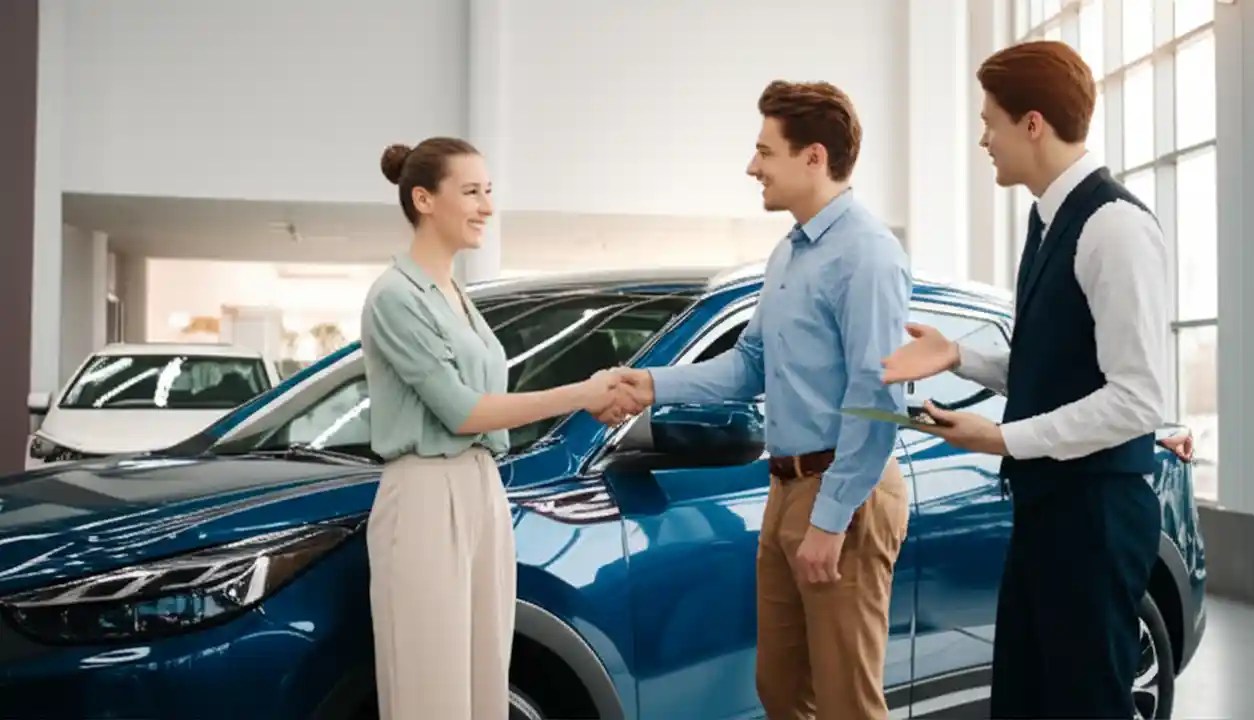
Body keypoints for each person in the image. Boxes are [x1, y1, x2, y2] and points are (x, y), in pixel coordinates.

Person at [880, 41, 1173, 718]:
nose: (983, 137)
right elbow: (1058, 364)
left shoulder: (1114, 228)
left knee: (1082, 705)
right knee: (1024, 700)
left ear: (1032, 123)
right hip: (1051, 512)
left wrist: (1004, 439)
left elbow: (1138, 398)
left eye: (991, 120)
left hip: (1096, 517)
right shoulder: (1048, 218)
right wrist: (959, 355)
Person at [608, 80, 912, 719]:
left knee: (846, 704)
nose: (752, 167)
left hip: (844, 491)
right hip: (784, 489)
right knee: (781, 691)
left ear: (814, 158)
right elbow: (749, 366)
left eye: (764, 152)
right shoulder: (788, 255)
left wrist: (831, 518)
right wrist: (653, 385)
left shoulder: (868, 254)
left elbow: (880, 396)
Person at [360, 137, 626, 719]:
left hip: (483, 487)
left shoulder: (458, 296)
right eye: (473, 192)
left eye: (489, 192)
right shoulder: (396, 297)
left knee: (484, 690)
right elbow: (463, 410)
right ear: (425, 200)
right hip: (426, 494)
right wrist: (580, 395)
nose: (486, 206)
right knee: (430, 692)